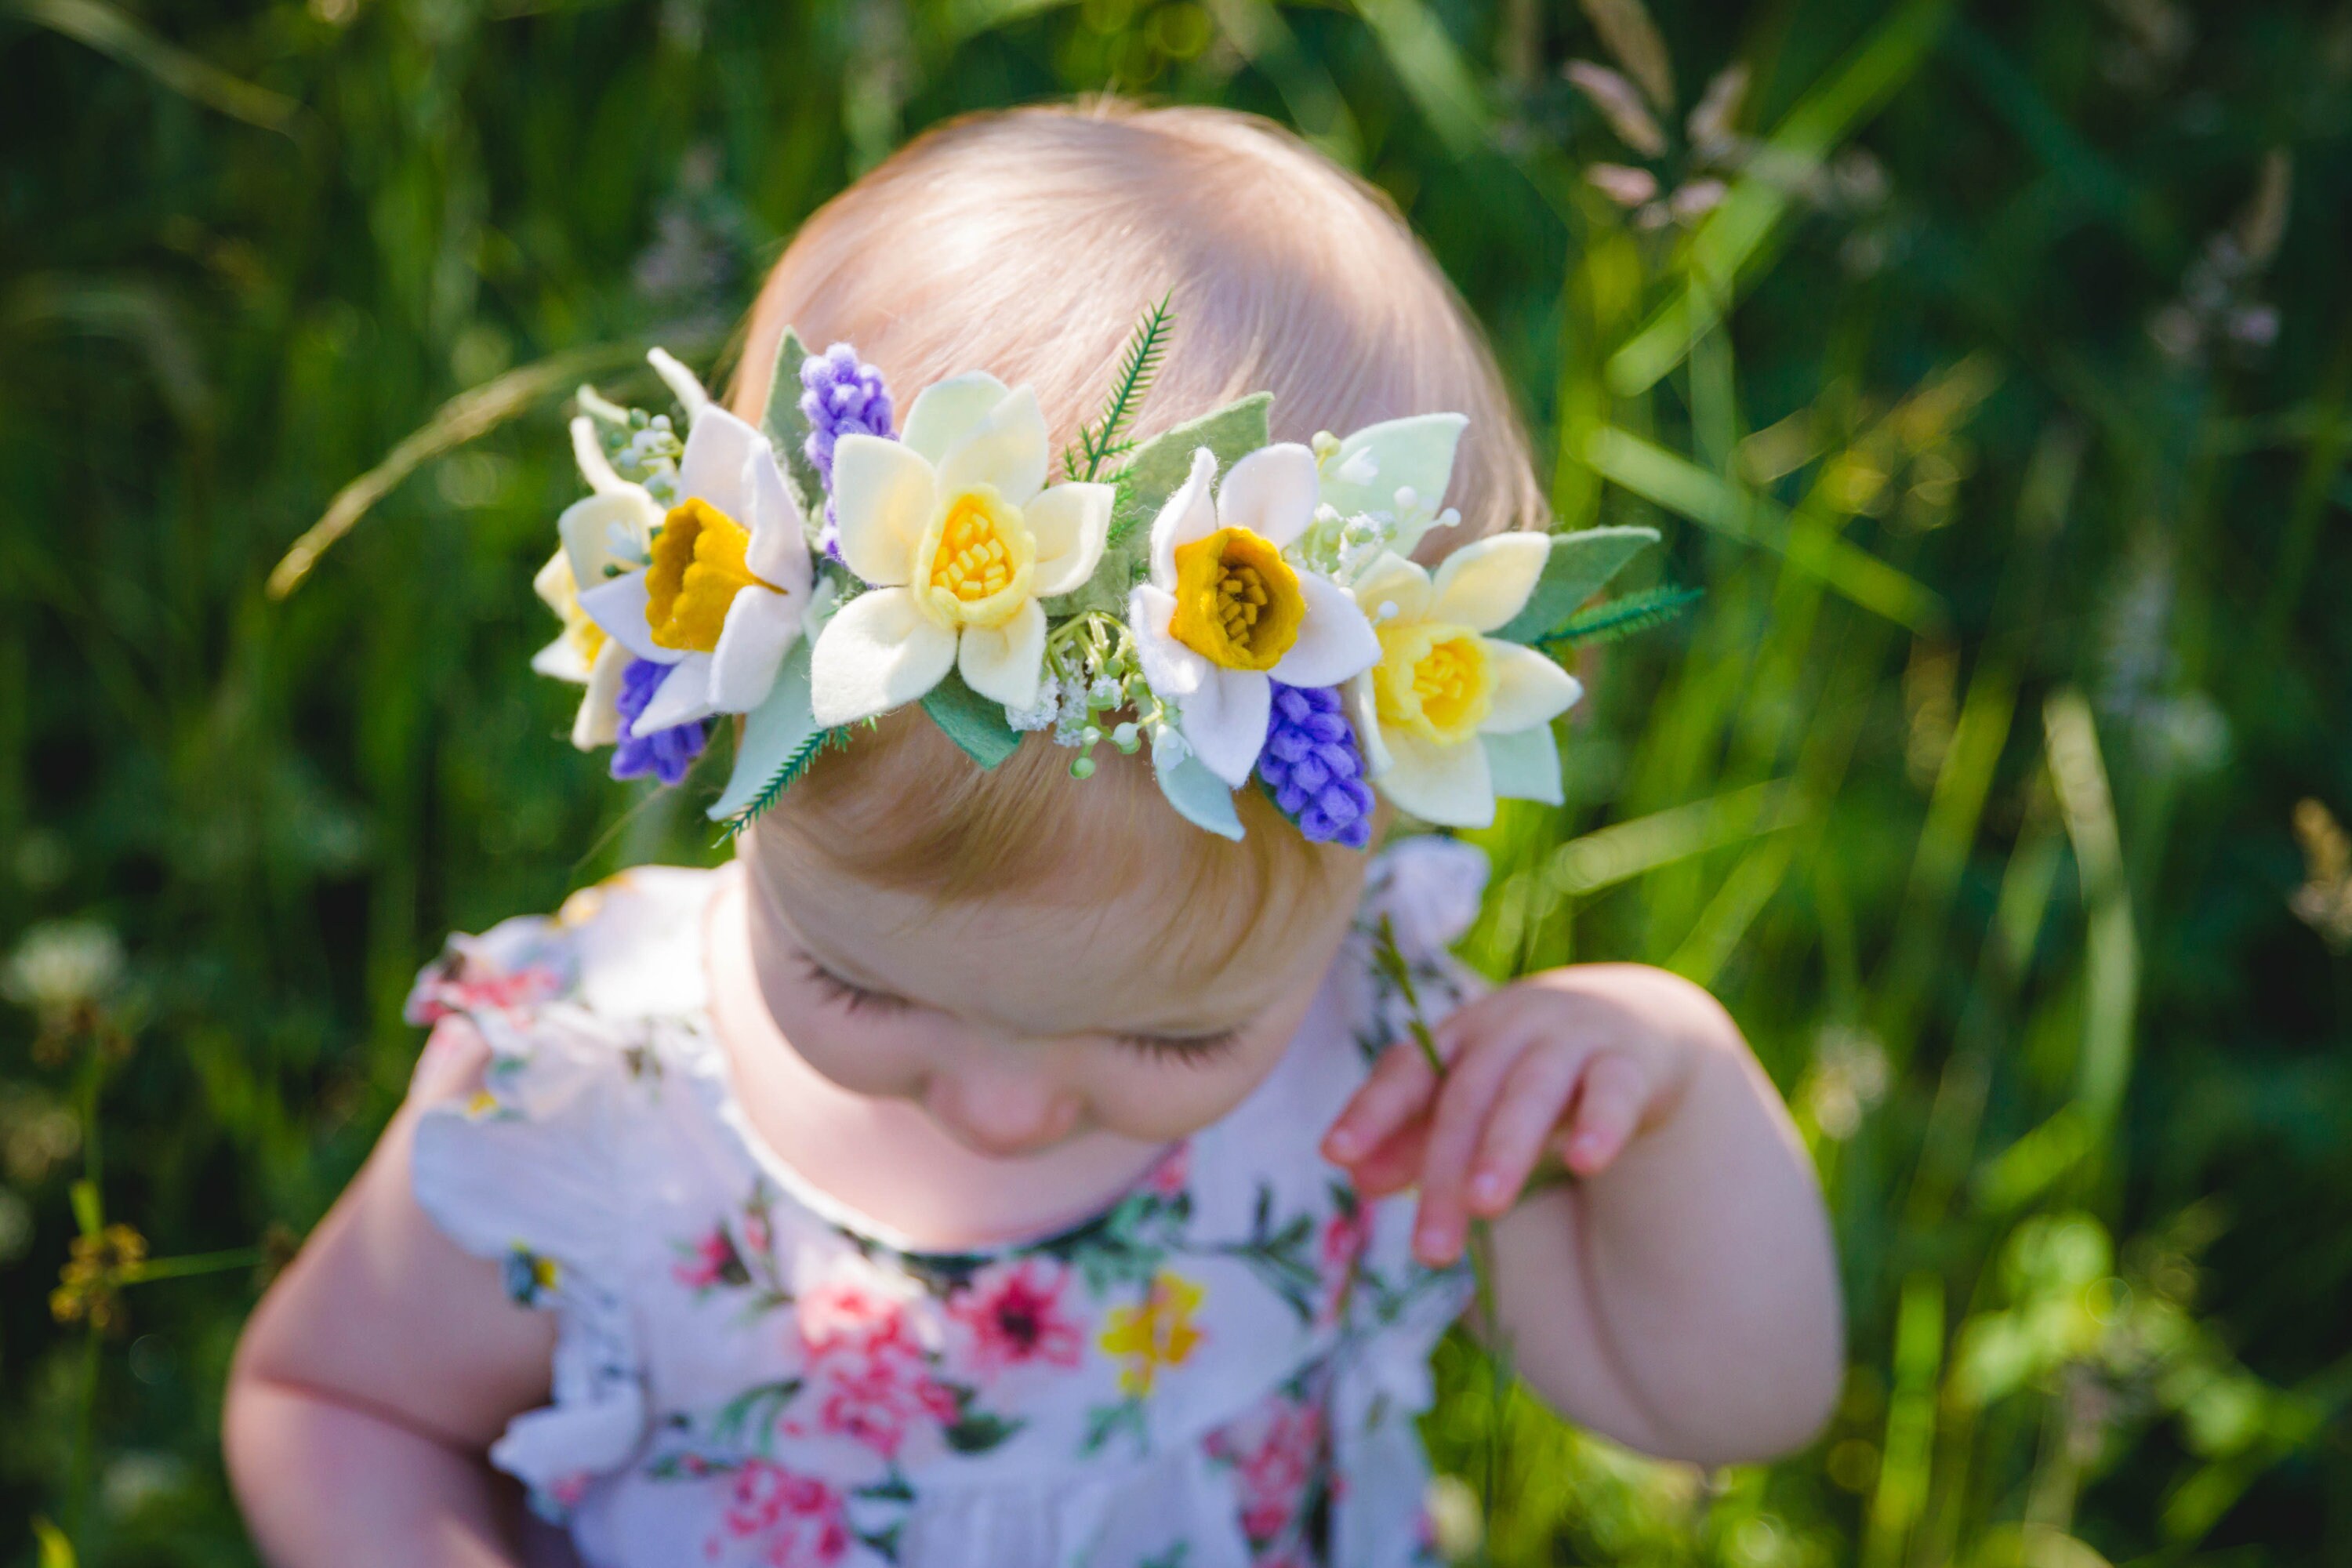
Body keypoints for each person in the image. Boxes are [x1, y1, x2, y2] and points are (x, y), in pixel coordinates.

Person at [223, 101, 1842, 1568]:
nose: (1002, 1107)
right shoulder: (592, 1085)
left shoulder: (1372, 1086)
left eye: (1173, 1031)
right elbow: (333, 1401)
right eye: (857, 986)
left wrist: (1676, 1080)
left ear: (1374, 830)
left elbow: (1727, 1401)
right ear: (737, 734)